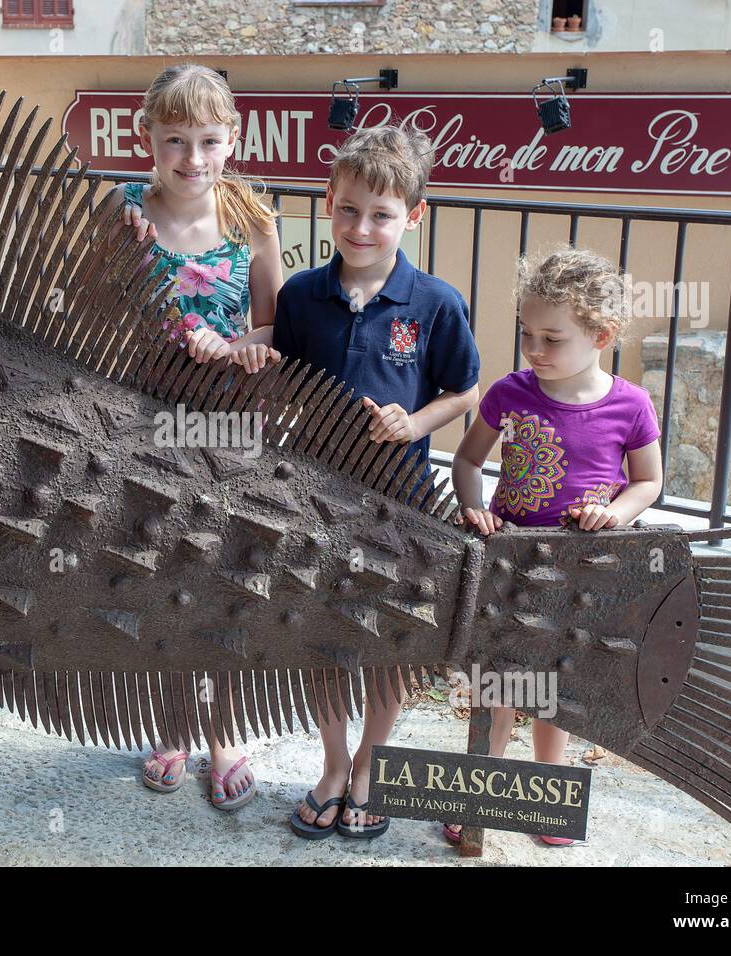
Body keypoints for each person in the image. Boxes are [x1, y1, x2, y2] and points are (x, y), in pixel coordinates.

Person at [276, 123, 481, 840]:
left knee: (387, 640)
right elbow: (281, 381)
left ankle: (372, 764)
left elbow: (464, 392)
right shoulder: (300, 297)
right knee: (322, 635)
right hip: (314, 500)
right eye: (348, 210)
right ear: (327, 203)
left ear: (413, 217)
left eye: (382, 214)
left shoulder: (436, 304)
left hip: (400, 504)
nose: (362, 228)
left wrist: (416, 423)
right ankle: (332, 765)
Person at [445, 245, 664, 846]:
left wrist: (614, 512)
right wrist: (473, 507)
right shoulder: (509, 393)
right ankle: (477, 792)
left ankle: (549, 796)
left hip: (581, 567)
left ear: (602, 335)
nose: (534, 351)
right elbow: (467, 459)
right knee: (497, 682)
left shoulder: (631, 405)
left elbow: (649, 481)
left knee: (554, 684)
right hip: (511, 559)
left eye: (552, 338)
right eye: (526, 334)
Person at [116, 63, 283, 809]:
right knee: (157, 567)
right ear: (145, 136)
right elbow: (84, 307)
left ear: (233, 139)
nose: (192, 158)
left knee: (224, 572)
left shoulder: (252, 217)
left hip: (227, 420)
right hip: (142, 416)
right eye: (175, 139)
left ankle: (226, 733)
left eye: (208, 140)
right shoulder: (122, 211)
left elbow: (278, 321)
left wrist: (237, 345)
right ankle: (173, 721)